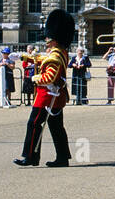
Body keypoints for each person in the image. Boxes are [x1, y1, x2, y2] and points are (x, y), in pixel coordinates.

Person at [13, 10, 74, 168]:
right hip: (56, 97)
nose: (46, 41)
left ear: (54, 40)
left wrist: (34, 78)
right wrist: (23, 57)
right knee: (56, 127)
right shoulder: (60, 52)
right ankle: (62, 157)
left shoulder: (54, 56)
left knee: (33, 124)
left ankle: (30, 156)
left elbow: (49, 77)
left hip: (47, 97)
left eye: (48, 39)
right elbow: (42, 58)